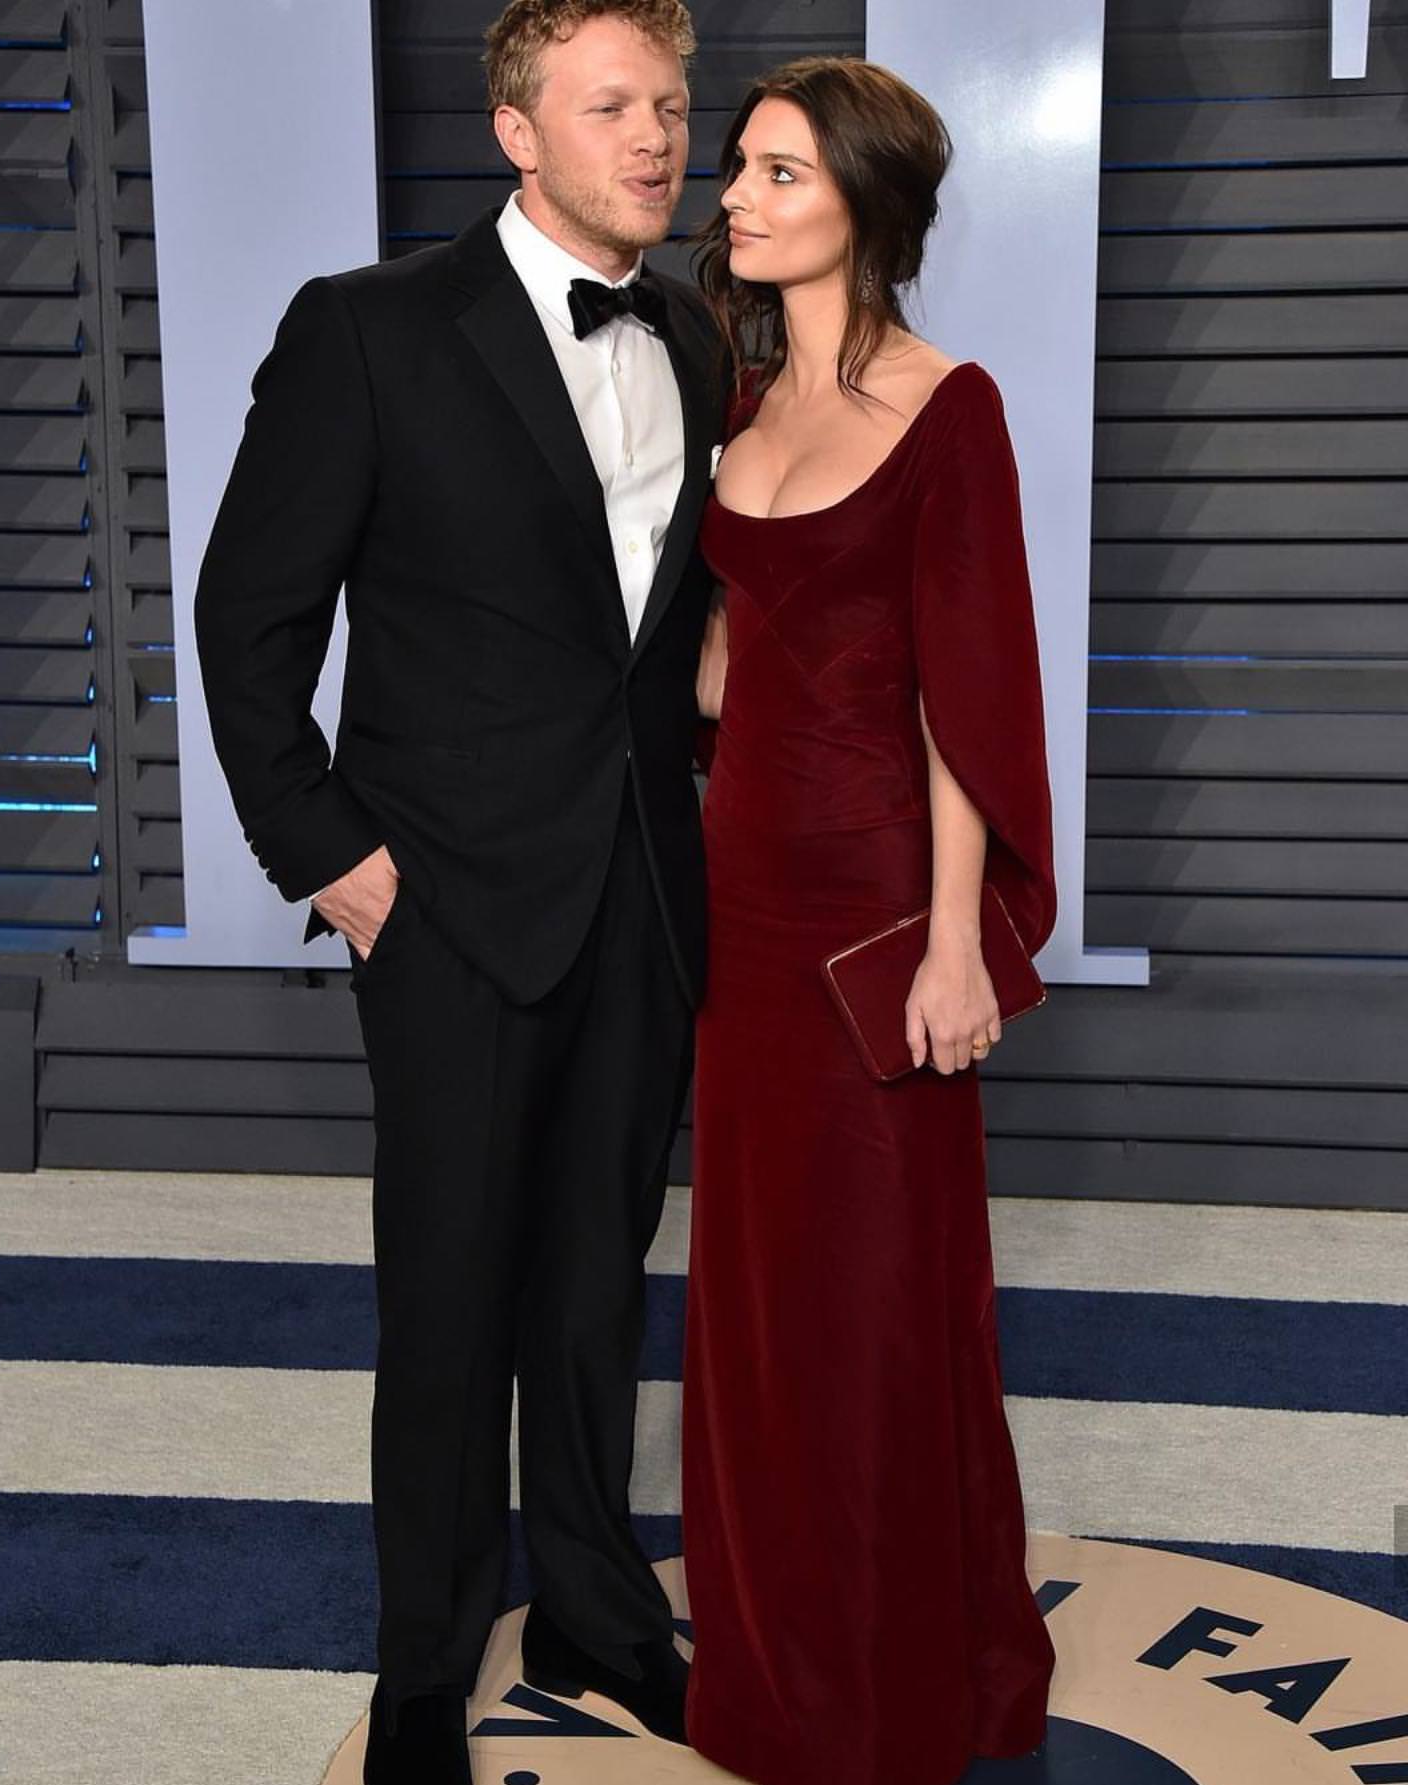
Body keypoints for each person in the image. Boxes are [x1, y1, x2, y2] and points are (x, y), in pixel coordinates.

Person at [193, 3, 725, 1779]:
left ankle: (588, 1596)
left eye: (669, 100)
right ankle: (424, 1656)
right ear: (517, 130)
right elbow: (247, 622)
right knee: (444, 1296)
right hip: (445, 906)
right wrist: (339, 864)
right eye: (611, 104)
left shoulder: (703, 338)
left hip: (647, 892)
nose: (656, 136)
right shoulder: (367, 331)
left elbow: (666, 637)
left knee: (595, 1282)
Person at [682, 57, 1058, 1785]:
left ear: (864, 203)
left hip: (873, 916)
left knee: (881, 1311)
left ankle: (904, 1686)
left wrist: (958, 944)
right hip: (738, 908)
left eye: (775, 174)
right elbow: (726, 664)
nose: (738, 198)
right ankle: (771, 1676)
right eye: (741, 172)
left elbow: (962, 700)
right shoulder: (744, 406)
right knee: (757, 1302)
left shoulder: (947, 404)